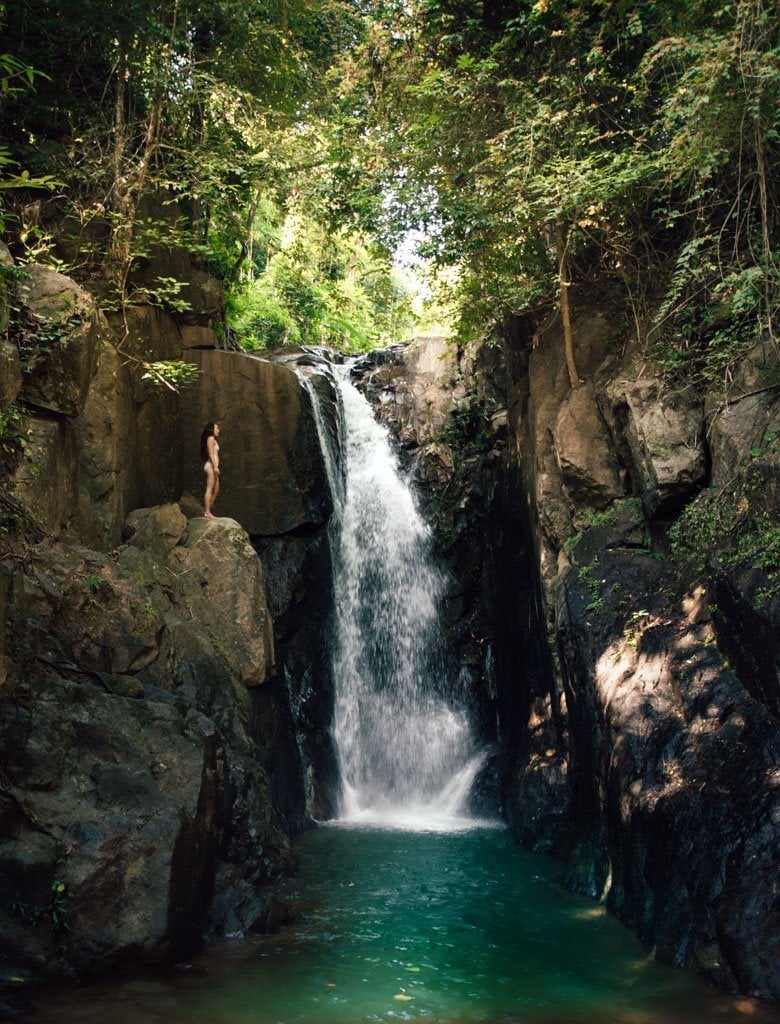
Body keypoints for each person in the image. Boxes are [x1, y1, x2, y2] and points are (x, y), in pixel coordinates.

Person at [201, 422, 220, 518]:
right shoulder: (210, 438)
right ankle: (207, 513)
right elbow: (211, 454)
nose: (218, 430)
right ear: (212, 429)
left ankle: (207, 511)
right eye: (217, 428)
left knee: (216, 490)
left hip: (213, 466)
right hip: (211, 466)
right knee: (209, 488)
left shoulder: (213, 439)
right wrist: (215, 466)